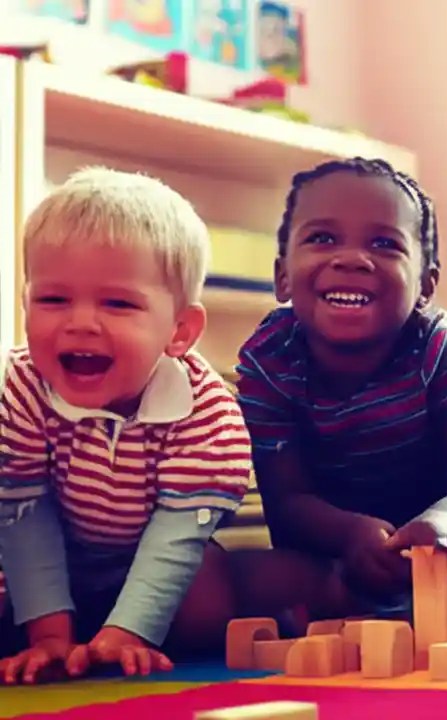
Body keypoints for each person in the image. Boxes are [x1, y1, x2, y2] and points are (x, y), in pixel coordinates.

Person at [234, 158, 447, 636]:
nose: (352, 258)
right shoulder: (266, 360)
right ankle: (365, 603)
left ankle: (414, 604)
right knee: (242, 579)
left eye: (384, 243)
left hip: (434, 546)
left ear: (426, 285)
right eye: (322, 238)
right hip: (329, 551)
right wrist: (350, 535)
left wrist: (446, 520)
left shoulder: (439, 344)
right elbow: (286, 498)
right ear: (282, 276)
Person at [0, 168, 252, 684]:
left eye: (117, 303)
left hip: (146, 560)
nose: (81, 322)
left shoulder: (207, 416)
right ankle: (61, 640)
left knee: (210, 594)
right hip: (59, 563)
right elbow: (23, 514)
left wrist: (130, 632)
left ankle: (111, 635)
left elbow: (176, 538)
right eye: (53, 300)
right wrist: (48, 631)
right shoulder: (20, 388)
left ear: (180, 331)